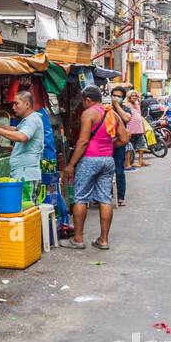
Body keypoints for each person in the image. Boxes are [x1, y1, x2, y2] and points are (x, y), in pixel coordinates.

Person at [62, 85, 115, 250]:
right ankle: (103, 240)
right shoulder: (111, 113)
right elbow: (125, 138)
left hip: (90, 160)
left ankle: (78, 239)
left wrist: (71, 165)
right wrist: (107, 147)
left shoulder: (89, 113)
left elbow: (83, 141)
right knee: (105, 199)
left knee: (81, 198)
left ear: (88, 100)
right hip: (107, 159)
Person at [0, 90, 44, 187]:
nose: (13, 107)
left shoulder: (33, 120)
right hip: (23, 172)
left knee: (27, 202)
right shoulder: (27, 120)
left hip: (27, 174)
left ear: (27, 104)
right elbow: (16, 130)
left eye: (16, 104)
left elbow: (22, 136)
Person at [107, 87, 134, 206]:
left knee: (119, 171)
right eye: (114, 95)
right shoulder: (106, 107)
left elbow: (127, 118)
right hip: (107, 143)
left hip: (119, 143)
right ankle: (106, 195)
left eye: (118, 96)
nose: (115, 97)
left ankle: (120, 196)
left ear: (123, 98)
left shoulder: (125, 108)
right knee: (106, 171)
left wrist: (116, 106)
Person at [125, 90, 150, 170]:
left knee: (142, 145)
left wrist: (143, 126)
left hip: (139, 128)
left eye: (136, 96)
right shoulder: (126, 105)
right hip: (130, 129)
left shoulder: (137, 104)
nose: (134, 97)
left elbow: (140, 116)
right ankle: (128, 163)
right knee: (129, 147)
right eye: (132, 96)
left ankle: (140, 161)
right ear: (129, 97)